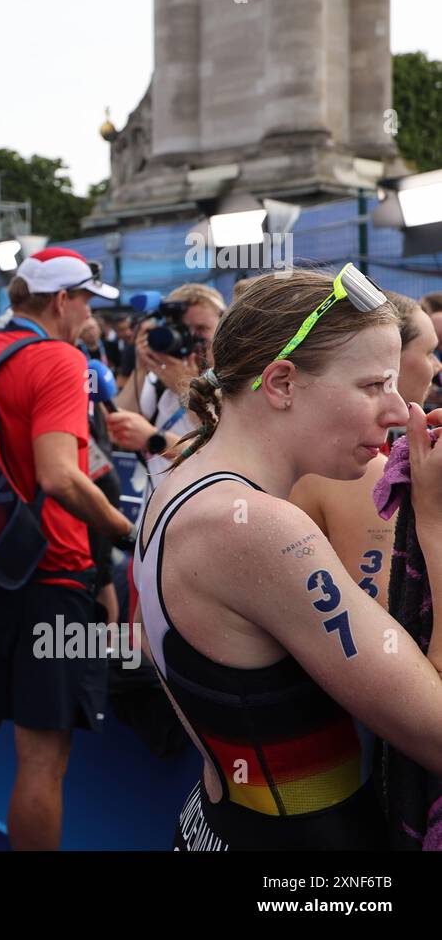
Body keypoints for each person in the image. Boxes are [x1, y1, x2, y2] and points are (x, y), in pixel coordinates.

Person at [134, 267, 442, 850]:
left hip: (218, 826)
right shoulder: (256, 527)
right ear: (281, 383)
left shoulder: (176, 480)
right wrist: (435, 523)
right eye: (374, 385)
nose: (400, 412)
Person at [0, 247, 132, 851]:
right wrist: (129, 534)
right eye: (84, 303)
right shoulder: (59, 359)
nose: (88, 318)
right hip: (52, 575)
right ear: (60, 300)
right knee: (43, 755)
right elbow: (60, 475)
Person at [289, 291, 442, 608]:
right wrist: (431, 515)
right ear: (390, 356)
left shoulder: (313, 454)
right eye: (429, 352)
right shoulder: (354, 470)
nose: (436, 367)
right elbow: (393, 626)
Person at [108, 283, 226, 491]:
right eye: (180, 329)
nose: (189, 338)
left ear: (222, 330)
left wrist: (185, 389)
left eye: (201, 329)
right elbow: (115, 425)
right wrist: (142, 366)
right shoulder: (157, 384)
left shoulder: (236, 385)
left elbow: (224, 447)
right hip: (157, 510)